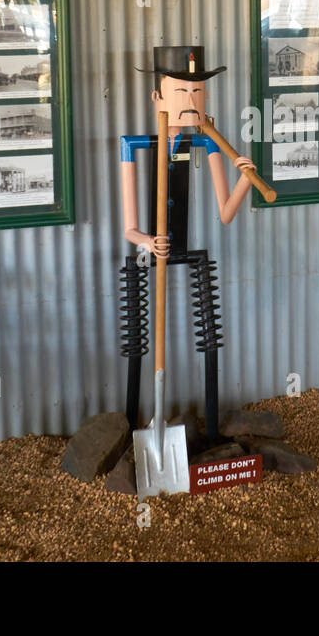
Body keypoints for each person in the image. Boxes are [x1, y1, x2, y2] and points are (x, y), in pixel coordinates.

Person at [118, 46, 255, 445]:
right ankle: (133, 428)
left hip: (187, 253)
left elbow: (225, 212)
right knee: (138, 343)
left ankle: (210, 430)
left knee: (209, 339)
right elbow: (129, 227)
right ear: (157, 98)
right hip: (154, 253)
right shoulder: (134, 145)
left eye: (196, 95)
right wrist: (147, 241)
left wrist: (245, 178)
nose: (190, 103)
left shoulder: (208, 142)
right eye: (180, 94)